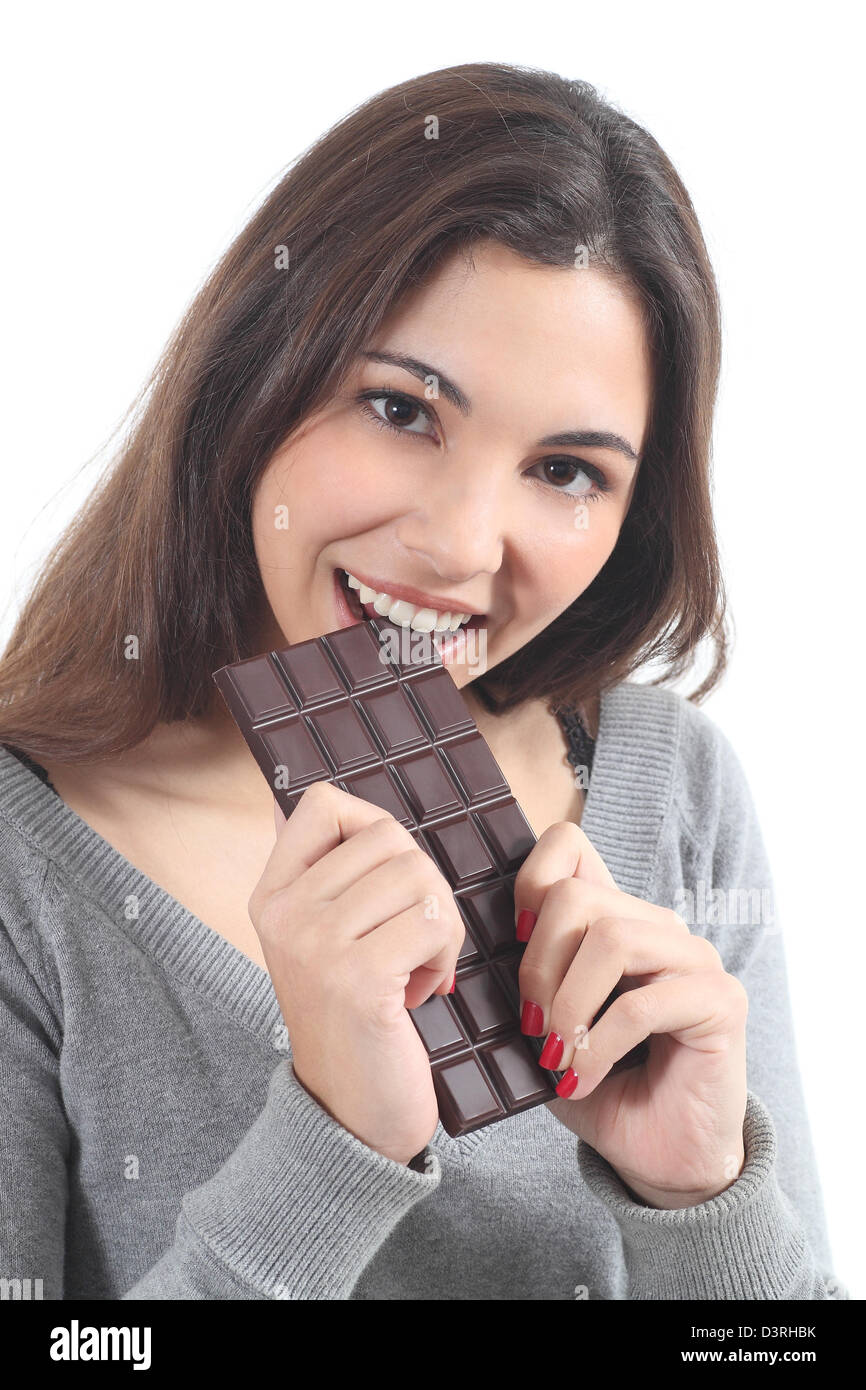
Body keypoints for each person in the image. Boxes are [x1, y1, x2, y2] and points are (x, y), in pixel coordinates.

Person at [0, 61, 845, 1300]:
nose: (460, 546)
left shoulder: (669, 787)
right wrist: (331, 1139)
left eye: (565, 471)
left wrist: (701, 1201)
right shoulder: (28, 865)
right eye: (401, 408)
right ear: (253, 376)